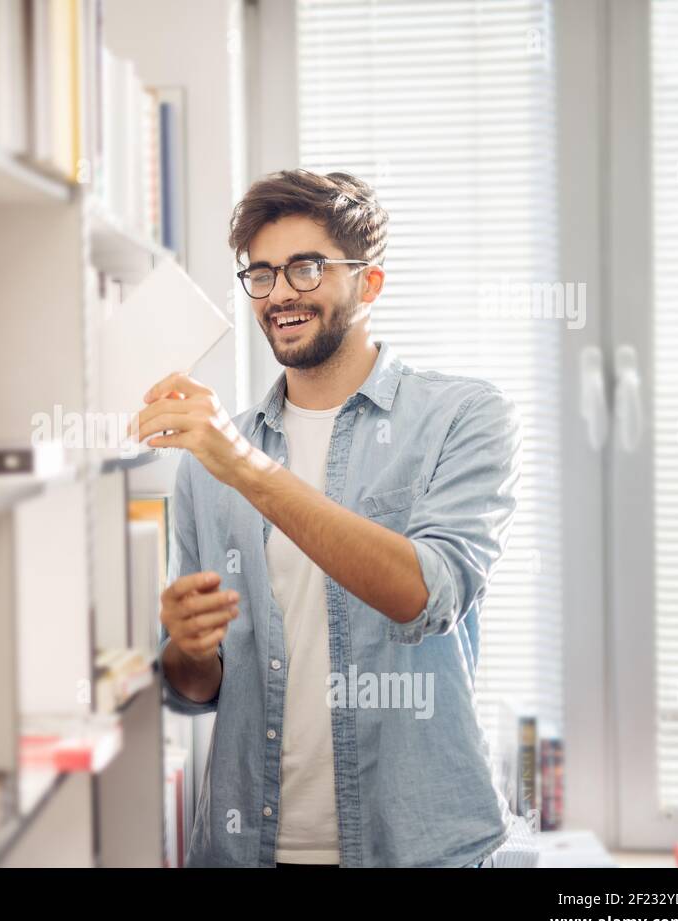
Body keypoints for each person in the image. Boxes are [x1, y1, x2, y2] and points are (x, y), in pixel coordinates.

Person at [134, 169, 526, 867]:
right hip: (248, 847)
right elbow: (197, 685)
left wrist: (246, 466)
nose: (280, 291)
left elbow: (425, 595)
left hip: (416, 846)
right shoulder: (208, 463)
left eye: (305, 268)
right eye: (260, 273)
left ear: (368, 284)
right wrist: (189, 647)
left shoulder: (463, 417)